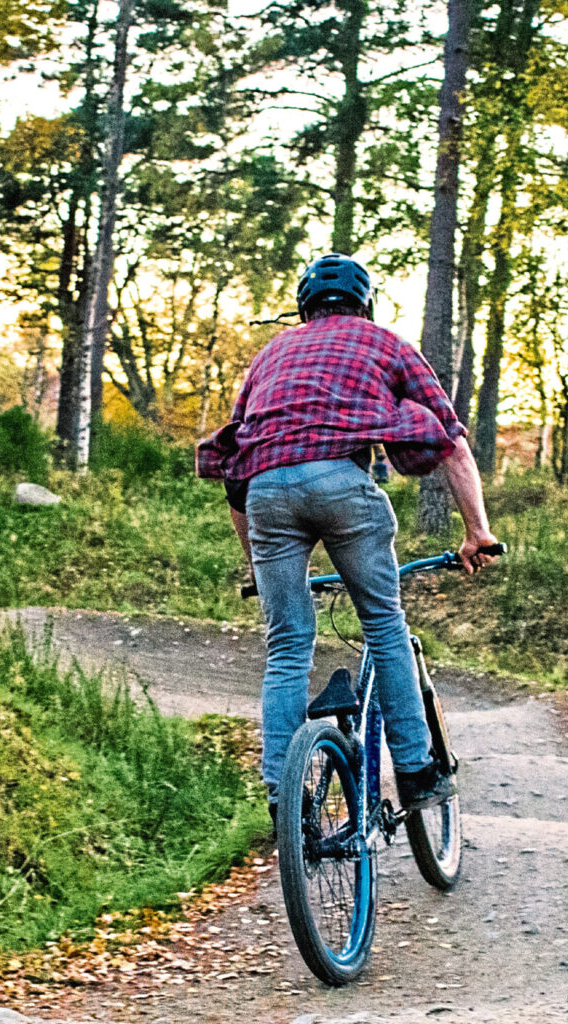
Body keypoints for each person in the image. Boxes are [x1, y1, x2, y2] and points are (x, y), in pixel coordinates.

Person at [197, 253, 499, 817]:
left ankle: (282, 799)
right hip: (342, 486)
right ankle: (415, 772)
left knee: (286, 645)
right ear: (365, 303)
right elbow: (452, 441)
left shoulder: (271, 354)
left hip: (265, 494)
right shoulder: (386, 343)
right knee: (384, 627)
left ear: (304, 306)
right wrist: (477, 531)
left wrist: (257, 567)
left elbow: (234, 469)